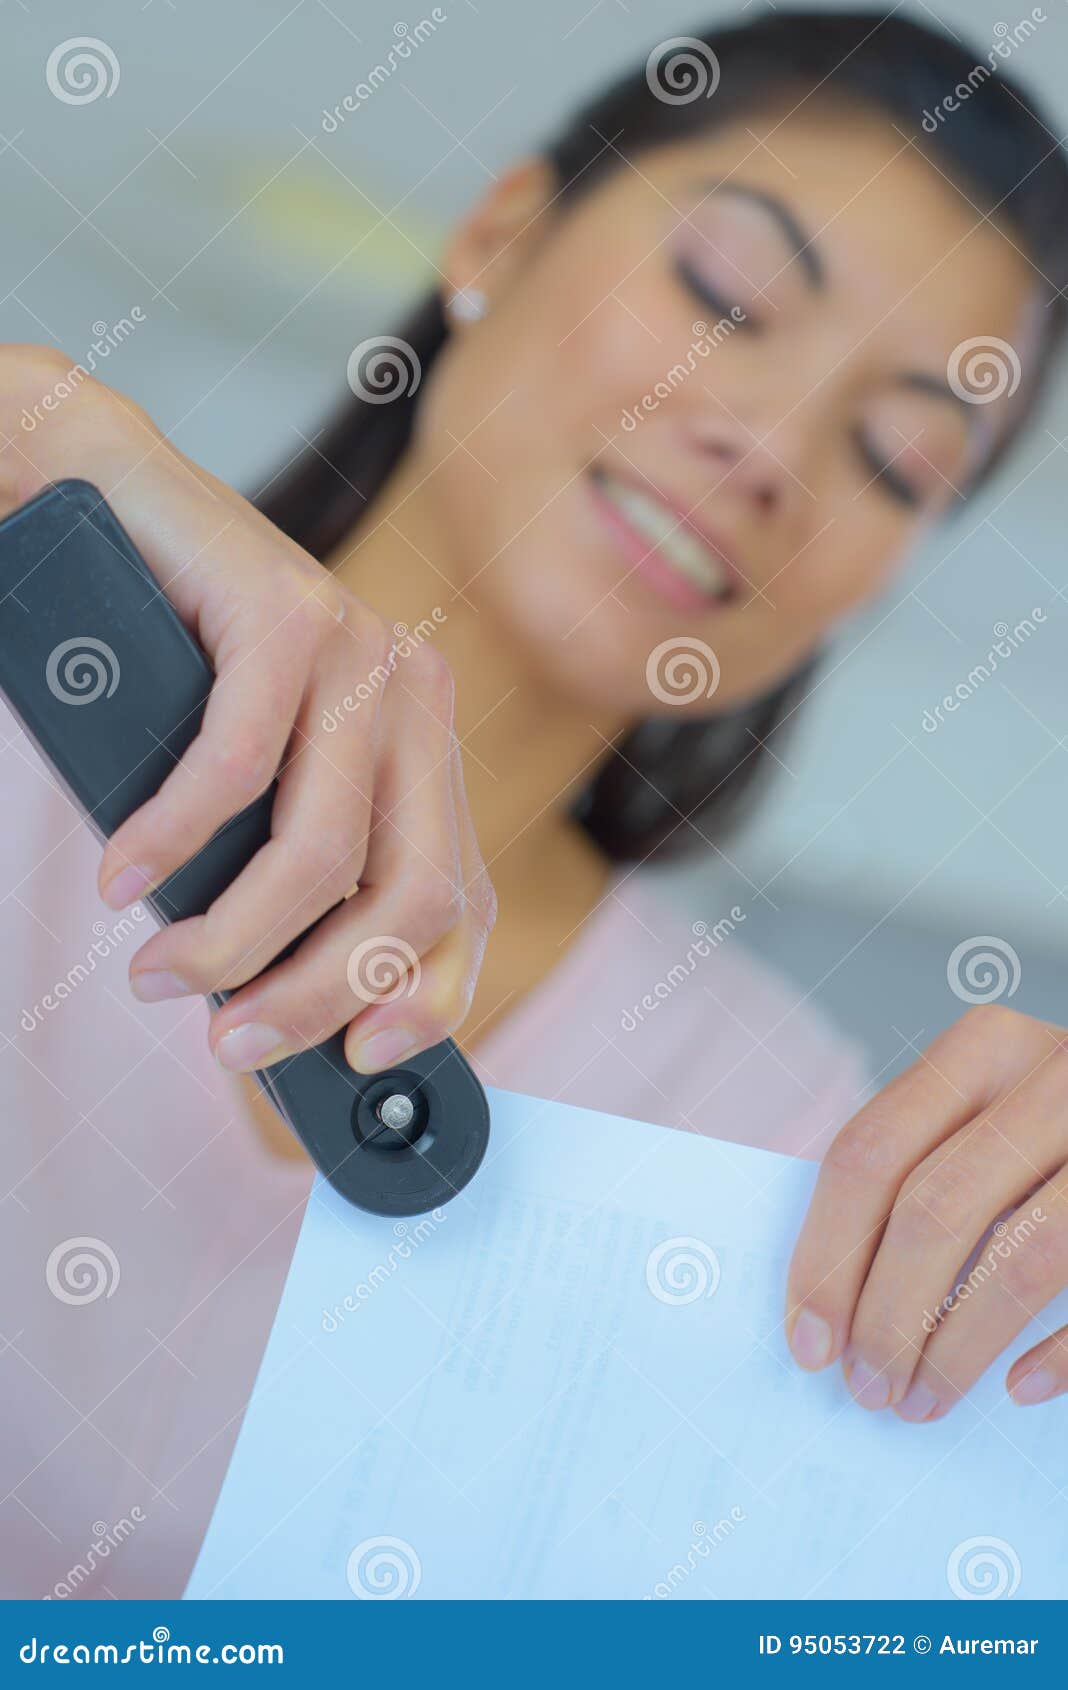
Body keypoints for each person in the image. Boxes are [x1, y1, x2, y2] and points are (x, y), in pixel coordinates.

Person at [2, 10, 1067, 1598]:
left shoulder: (786, 1145)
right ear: (498, 231)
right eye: (729, 296)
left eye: (899, 456)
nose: (768, 445)